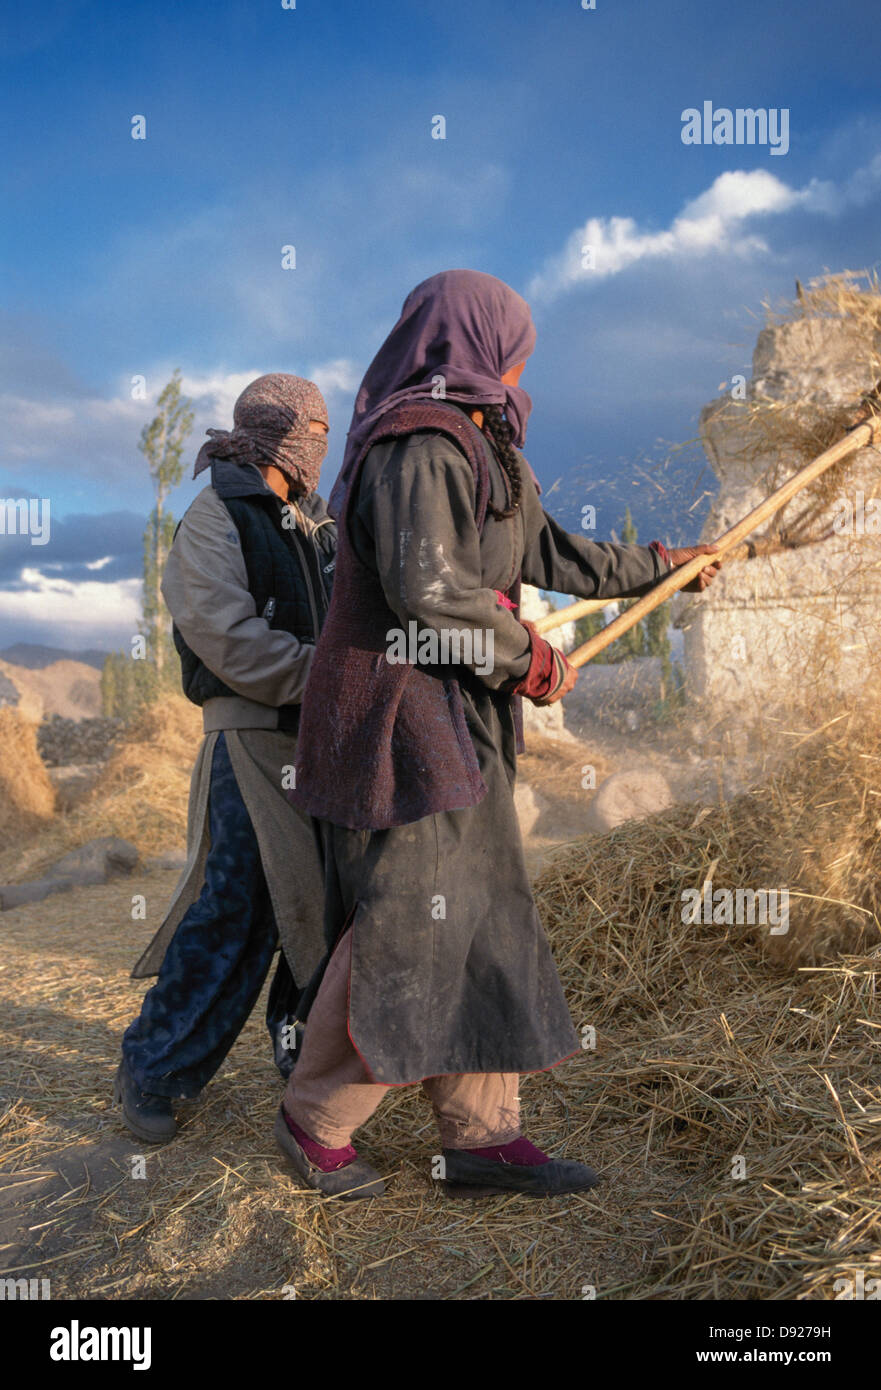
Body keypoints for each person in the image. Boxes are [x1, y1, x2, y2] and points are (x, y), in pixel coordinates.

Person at [275, 272, 721, 1198]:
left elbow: (553, 554)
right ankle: (314, 1117)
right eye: (511, 343)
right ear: (471, 341)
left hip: (460, 708)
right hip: (401, 709)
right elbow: (428, 591)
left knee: (478, 909)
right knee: (414, 910)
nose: (521, 363)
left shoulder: (486, 444)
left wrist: (659, 567)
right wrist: (528, 659)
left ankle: (479, 1134)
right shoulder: (419, 442)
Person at [115, 374, 336, 1143]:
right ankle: (153, 1068)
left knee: (323, 907)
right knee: (237, 906)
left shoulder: (317, 523)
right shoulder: (215, 514)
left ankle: (306, 1070)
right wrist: (339, 677)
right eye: (314, 426)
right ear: (277, 430)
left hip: (324, 739)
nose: (322, 443)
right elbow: (228, 639)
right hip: (251, 737)